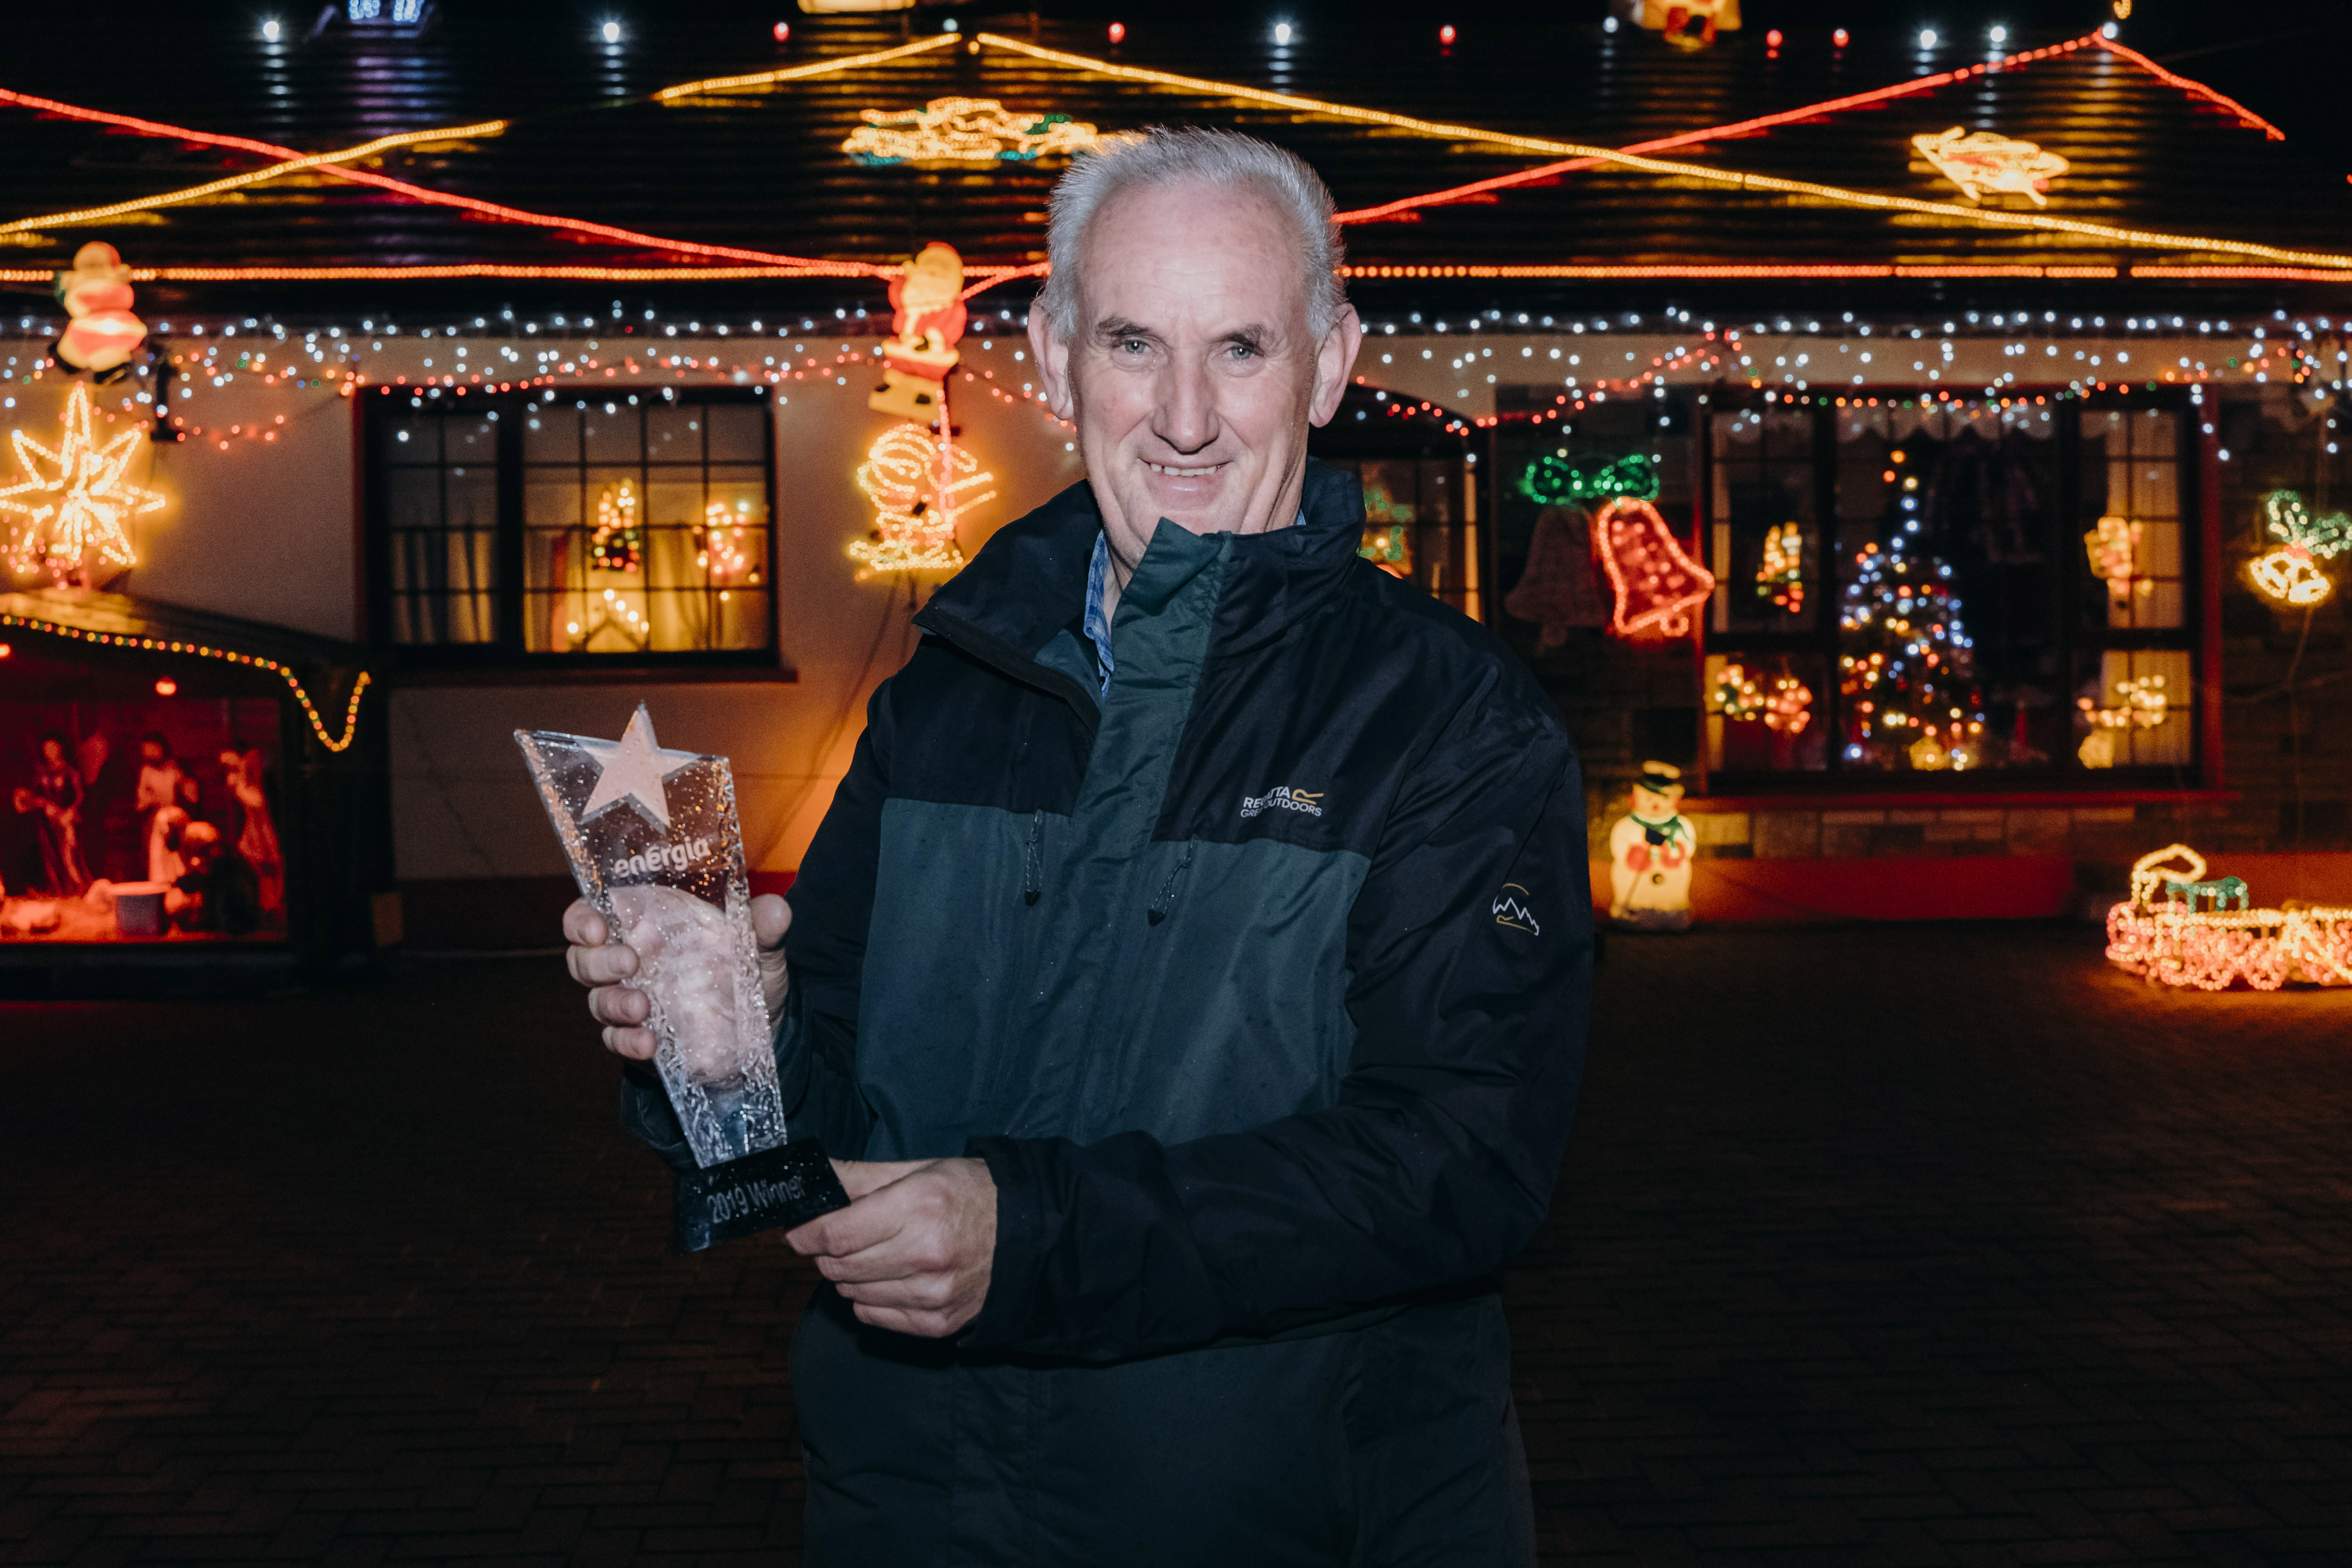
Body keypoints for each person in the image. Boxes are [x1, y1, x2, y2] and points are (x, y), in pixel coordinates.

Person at [564, 129, 1590, 1564]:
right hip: (917, 1512)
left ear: (1330, 359)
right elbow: (817, 1150)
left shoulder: (1449, 722)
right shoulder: (948, 695)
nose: (1183, 415)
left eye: (1239, 346)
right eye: (1129, 342)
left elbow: (1459, 1161)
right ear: (1049, 357)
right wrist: (718, 1033)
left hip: (1291, 1520)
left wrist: (1033, 1241)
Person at [15, 733, 91, 896]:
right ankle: (58, 889)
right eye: (46, 749)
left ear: (61, 748)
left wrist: (70, 812)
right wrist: (35, 802)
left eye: (53, 748)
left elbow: (80, 796)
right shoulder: (42, 773)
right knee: (50, 856)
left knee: (69, 855)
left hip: (66, 820)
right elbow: (34, 796)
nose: (50, 752)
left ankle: (78, 888)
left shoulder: (71, 772)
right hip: (46, 823)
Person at [220, 740, 284, 913]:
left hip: (264, 827)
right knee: (258, 866)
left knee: (269, 865)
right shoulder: (239, 780)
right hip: (254, 827)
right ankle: (266, 902)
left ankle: (273, 902)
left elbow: (257, 803)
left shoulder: (252, 766)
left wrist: (240, 775)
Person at [168, 821, 259, 936]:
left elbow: (203, 882)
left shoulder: (225, 867)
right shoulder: (224, 863)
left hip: (234, 930)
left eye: (192, 847)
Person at [135, 733, 195, 885]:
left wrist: (182, 782)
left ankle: (181, 883)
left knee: (178, 856)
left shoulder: (174, 769)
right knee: (158, 853)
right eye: (146, 750)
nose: (150, 753)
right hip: (157, 819)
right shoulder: (146, 771)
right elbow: (142, 797)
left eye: (153, 748)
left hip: (176, 818)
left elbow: (190, 793)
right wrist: (150, 801)